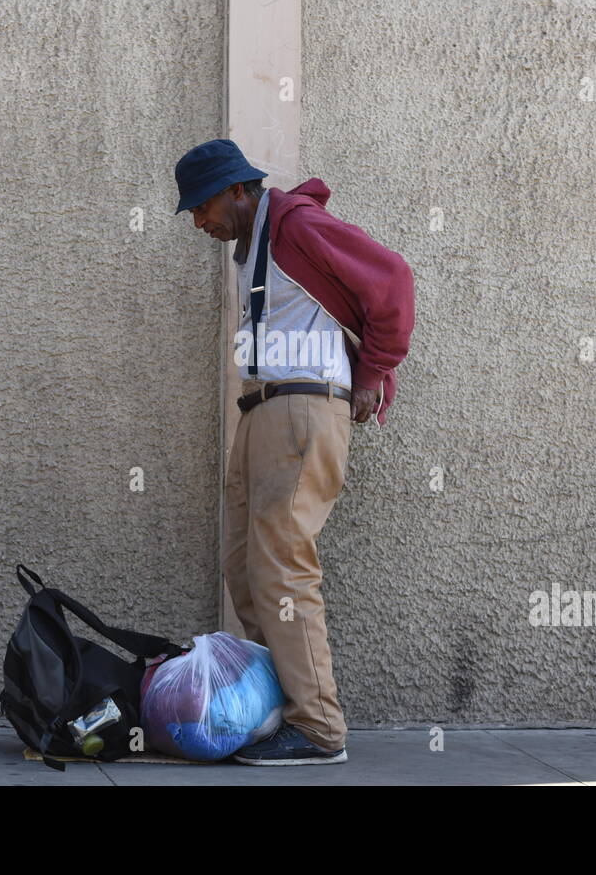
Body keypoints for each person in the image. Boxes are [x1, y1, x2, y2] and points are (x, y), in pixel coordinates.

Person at [173, 139, 415, 765]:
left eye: (202, 208)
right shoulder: (250, 243)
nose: (200, 224)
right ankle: (275, 707)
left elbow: (393, 280)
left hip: (304, 408)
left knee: (283, 569)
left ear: (238, 190)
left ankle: (318, 729)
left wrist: (374, 373)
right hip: (261, 410)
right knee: (245, 568)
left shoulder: (297, 224)